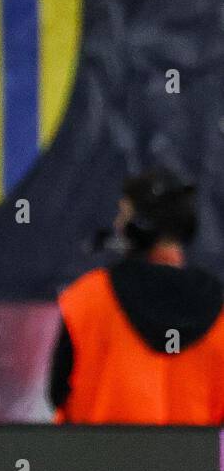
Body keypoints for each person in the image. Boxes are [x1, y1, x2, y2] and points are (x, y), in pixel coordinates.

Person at [51, 168, 224, 424]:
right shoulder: (219, 305)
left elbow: (57, 393)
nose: (117, 225)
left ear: (139, 227)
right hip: (198, 462)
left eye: (124, 215)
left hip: (96, 460)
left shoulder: (89, 297)